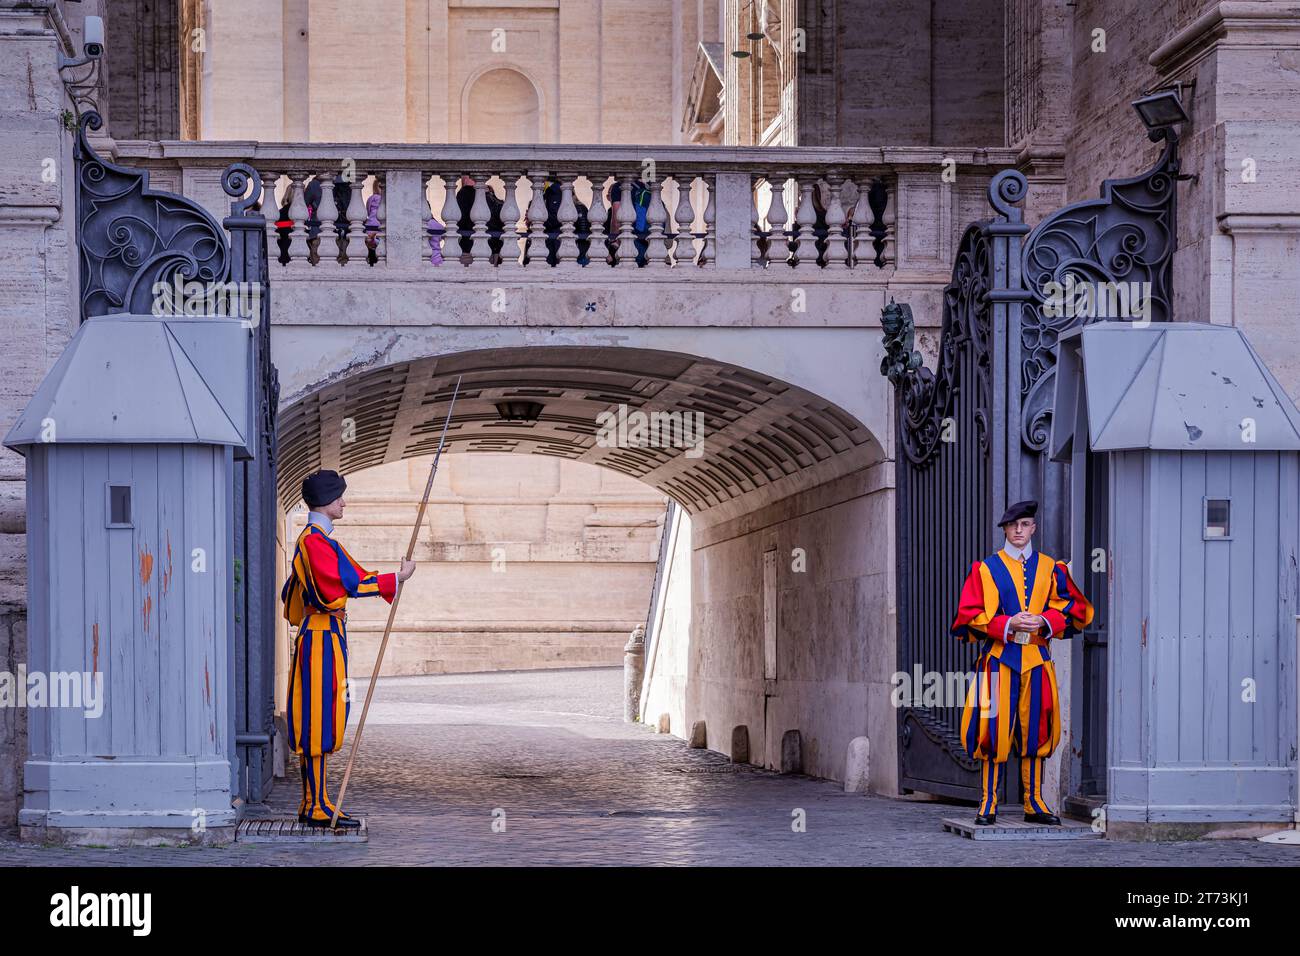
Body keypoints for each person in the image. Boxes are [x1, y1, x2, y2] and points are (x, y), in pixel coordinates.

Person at [280, 469, 416, 827]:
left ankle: (317, 801)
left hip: (326, 636)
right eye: (339, 496)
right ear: (325, 500)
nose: (344, 501)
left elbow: (350, 578)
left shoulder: (321, 541)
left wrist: (392, 579)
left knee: (325, 715)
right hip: (321, 637)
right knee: (317, 718)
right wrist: (394, 580)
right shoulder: (314, 542)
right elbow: (338, 588)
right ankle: (315, 806)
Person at [950, 499, 1093, 826]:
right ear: (1004, 528)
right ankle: (988, 801)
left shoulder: (1051, 568)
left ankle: (1034, 801)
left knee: (1038, 730)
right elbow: (967, 616)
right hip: (998, 661)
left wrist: (1044, 621)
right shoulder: (985, 569)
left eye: (1025, 524)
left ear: (1033, 528)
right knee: (991, 730)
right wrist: (1007, 624)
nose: (1018, 530)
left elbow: (1077, 610)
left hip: (1037, 660)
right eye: (1013, 525)